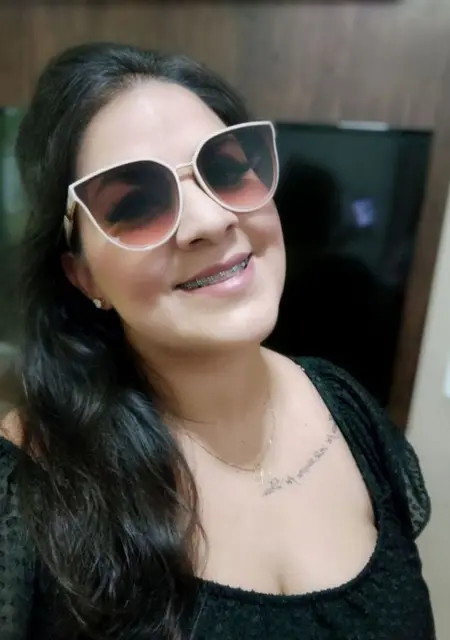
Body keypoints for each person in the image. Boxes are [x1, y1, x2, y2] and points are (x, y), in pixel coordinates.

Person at [0, 42, 434, 640]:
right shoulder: (24, 491)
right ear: (83, 275)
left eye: (227, 170)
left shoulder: (348, 408)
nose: (210, 220)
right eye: (137, 204)